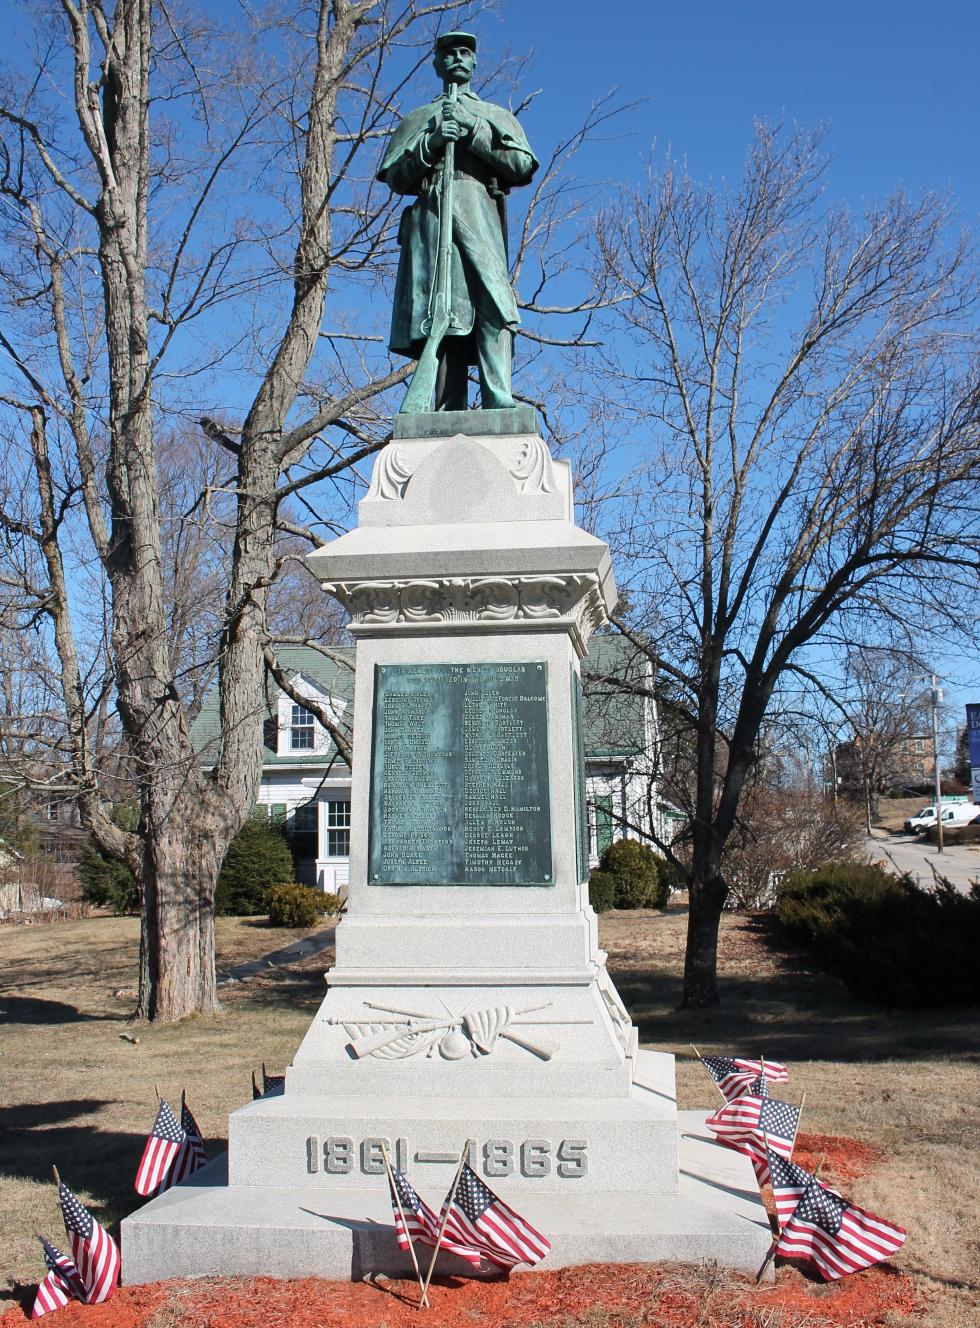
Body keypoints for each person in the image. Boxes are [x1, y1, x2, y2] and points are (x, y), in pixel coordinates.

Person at [377, 31, 538, 412]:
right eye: (448, 52)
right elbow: (395, 176)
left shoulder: (493, 115)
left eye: (465, 52)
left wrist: (474, 132)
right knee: (442, 310)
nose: (457, 58)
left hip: (477, 210)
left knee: (493, 303)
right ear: (436, 62)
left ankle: (498, 395)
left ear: (475, 62)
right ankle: (448, 407)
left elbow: (521, 165)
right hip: (432, 217)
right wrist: (429, 144)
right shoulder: (419, 118)